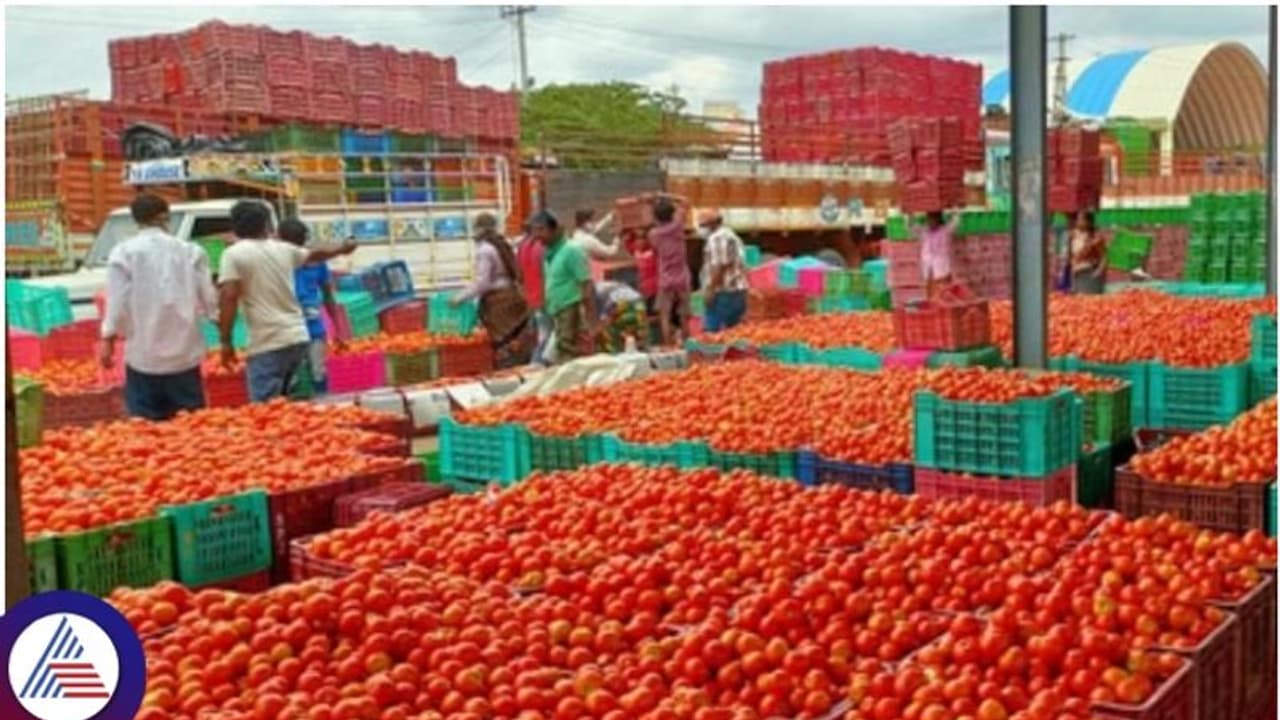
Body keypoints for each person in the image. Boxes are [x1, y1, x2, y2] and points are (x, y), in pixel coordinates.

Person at [217, 201, 356, 402]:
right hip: (297, 337)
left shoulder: (232, 254)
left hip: (268, 341)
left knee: (266, 409)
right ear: (267, 225)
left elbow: (229, 296)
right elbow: (316, 254)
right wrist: (343, 248)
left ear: (235, 226)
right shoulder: (284, 249)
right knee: (284, 404)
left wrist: (226, 341)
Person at [99, 193, 218, 421]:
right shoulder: (191, 251)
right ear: (165, 217)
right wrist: (221, 329)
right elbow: (209, 300)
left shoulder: (124, 253)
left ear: (136, 220)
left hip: (143, 355)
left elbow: (115, 302)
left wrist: (108, 341)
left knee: (145, 428)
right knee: (191, 424)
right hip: (185, 354)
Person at [451, 213, 533, 368]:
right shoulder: (501, 243)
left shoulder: (485, 250)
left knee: (502, 342)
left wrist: (459, 298)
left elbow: (483, 282)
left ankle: (508, 371)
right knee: (515, 340)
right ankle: (519, 368)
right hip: (513, 297)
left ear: (477, 229)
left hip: (498, 303)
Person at [278, 219, 344, 394]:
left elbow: (328, 294)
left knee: (318, 371)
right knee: (292, 376)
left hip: (311, 326)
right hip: (287, 328)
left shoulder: (317, 263)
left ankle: (320, 404)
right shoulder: (277, 263)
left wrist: (337, 326)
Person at [533, 210, 597, 364]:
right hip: (557, 309)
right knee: (563, 347)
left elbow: (586, 282)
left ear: (554, 230)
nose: (537, 235)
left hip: (571, 307)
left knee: (568, 347)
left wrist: (589, 317)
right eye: (535, 230)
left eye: (541, 230)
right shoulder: (550, 254)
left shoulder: (572, 251)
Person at [648, 196, 692, 345]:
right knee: (684, 315)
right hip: (682, 277)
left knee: (665, 315)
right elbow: (685, 202)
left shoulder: (653, 234)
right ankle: (687, 345)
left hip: (665, 278)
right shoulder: (678, 225)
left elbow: (655, 251)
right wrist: (665, 195)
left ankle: (668, 345)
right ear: (672, 214)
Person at [697, 209, 749, 332]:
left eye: (702, 225)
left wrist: (710, 290)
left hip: (723, 292)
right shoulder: (729, 234)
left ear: (712, 224)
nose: (700, 229)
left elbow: (720, 266)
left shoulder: (717, 238)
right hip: (737, 290)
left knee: (712, 333)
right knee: (734, 332)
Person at [917, 209, 960, 300]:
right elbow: (911, 228)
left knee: (943, 287)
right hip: (928, 266)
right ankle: (932, 303)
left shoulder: (945, 231)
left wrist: (955, 211)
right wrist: (909, 216)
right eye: (929, 219)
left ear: (938, 219)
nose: (930, 222)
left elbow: (956, 222)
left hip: (942, 266)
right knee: (930, 288)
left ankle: (944, 303)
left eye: (933, 219)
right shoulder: (924, 231)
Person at [1069, 210, 1108, 295]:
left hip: (1090, 273)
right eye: (1077, 219)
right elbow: (1072, 256)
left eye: (1081, 219)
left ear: (1088, 221)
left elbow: (1104, 256)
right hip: (1077, 273)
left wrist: (1099, 272)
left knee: (1089, 301)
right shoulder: (1073, 235)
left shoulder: (1096, 237)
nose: (1078, 222)